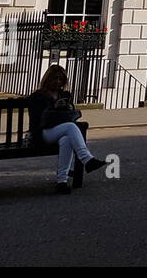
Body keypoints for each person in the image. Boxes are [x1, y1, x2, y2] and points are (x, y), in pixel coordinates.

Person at [27, 65, 107, 193]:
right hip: (42, 133)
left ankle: (62, 182)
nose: (58, 82)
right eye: (55, 78)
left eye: (61, 79)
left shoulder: (63, 94)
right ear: (48, 79)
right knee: (71, 127)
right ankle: (87, 159)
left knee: (66, 140)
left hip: (59, 132)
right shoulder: (38, 96)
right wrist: (53, 106)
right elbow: (39, 119)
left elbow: (70, 115)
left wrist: (68, 107)